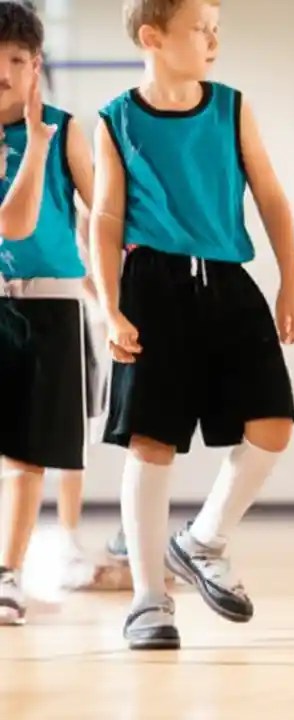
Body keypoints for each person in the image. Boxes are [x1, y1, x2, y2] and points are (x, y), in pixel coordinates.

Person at [91, 0, 294, 650]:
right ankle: (147, 600)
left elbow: (271, 196)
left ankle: (201, 540)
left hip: (228, 281)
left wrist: (291, 279)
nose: (213, 40)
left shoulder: (231, 107)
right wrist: (110, 305)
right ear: (153, 37)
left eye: (218, 29)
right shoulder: (115, 120)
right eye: (200, 29)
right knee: (151, 442)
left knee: (274, 422)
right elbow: (104, 221)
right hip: (150, 287)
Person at [0, 0, 95, 622]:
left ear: (37, 66)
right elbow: (11, 222)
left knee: (28, 453)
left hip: (53, 304)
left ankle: (9, 572)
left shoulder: (64, 128)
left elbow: (105, 215)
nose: (4, 72)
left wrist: (113, 301)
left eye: (16, 60)